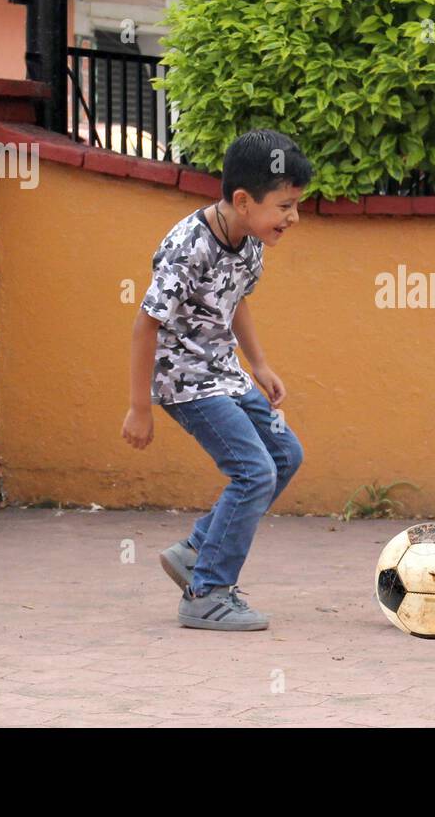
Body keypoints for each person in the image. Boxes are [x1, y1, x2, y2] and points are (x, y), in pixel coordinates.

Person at [122, 129, 311, 630]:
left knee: (285, 455)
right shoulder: (188, 248)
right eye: (286, 206)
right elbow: (146, 323)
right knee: (254, 473)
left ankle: (198, 551)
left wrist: (260, 364)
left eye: (297, 205)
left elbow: (236, 299)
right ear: (244, 200)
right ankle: (206, 593)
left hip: (224, 372)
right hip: (183, 380)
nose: (294, 217)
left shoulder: (249, 240)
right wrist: (140, 407)